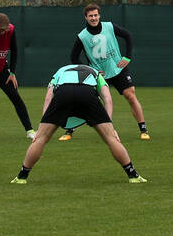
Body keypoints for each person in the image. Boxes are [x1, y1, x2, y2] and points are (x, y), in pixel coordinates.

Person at [10, 64, 147, 185]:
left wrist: (42, 127)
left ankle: (22, 176)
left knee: (40, 140)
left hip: (63, 93)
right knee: (111, 139)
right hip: (87, 94)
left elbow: (48, 98)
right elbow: (107, 99)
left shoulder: (59, 73)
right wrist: (110, 126)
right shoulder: (96, 74)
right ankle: (133, 175)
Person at [64, 5, 148, 141]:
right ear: (86, 17)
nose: (93, 18)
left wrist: (127, 57)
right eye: (90, 16)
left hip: (118, 68)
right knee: (82, 100)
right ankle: (69, 130)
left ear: (99, 16)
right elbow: (74, 57)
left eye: (95, 15)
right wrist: (89, 70)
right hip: (98, 74)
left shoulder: (109, 26)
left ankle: (143, 129)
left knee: (130, 95)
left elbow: (128, 35)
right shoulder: (82, 36)